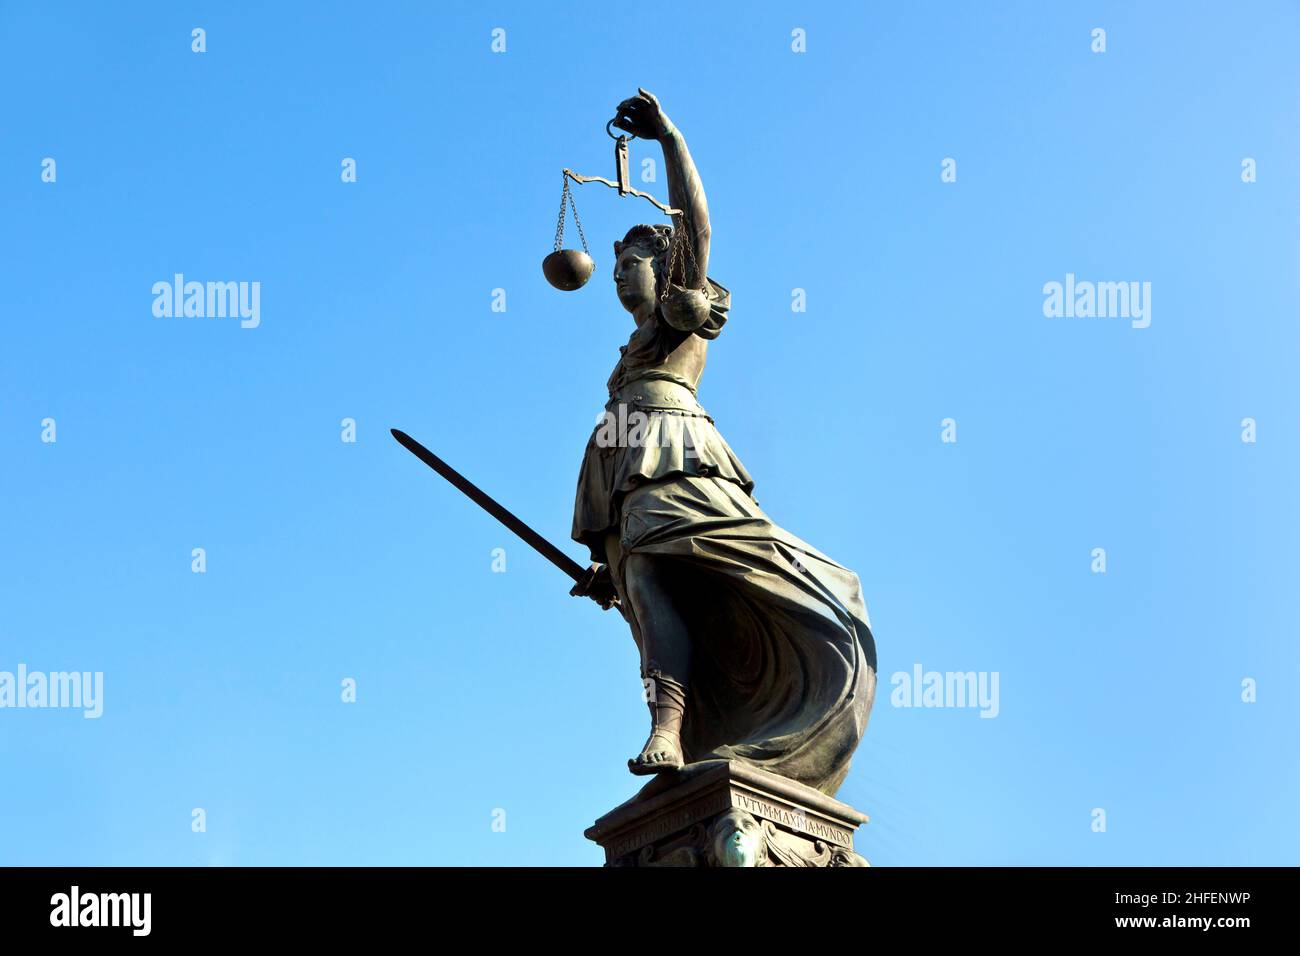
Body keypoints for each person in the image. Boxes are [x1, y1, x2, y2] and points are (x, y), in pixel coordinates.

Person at [570, 89, 877, 797]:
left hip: (672, 448)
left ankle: (670, 727)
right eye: (615, 268)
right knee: (644, 588)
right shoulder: (625, 357)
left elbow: (697, 225)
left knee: (662, 572)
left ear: (663, 264)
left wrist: (668, 139)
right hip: (622, 460)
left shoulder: (683, 312)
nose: (619, 275)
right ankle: (669, 730)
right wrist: (607, 568)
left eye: (631, 265)